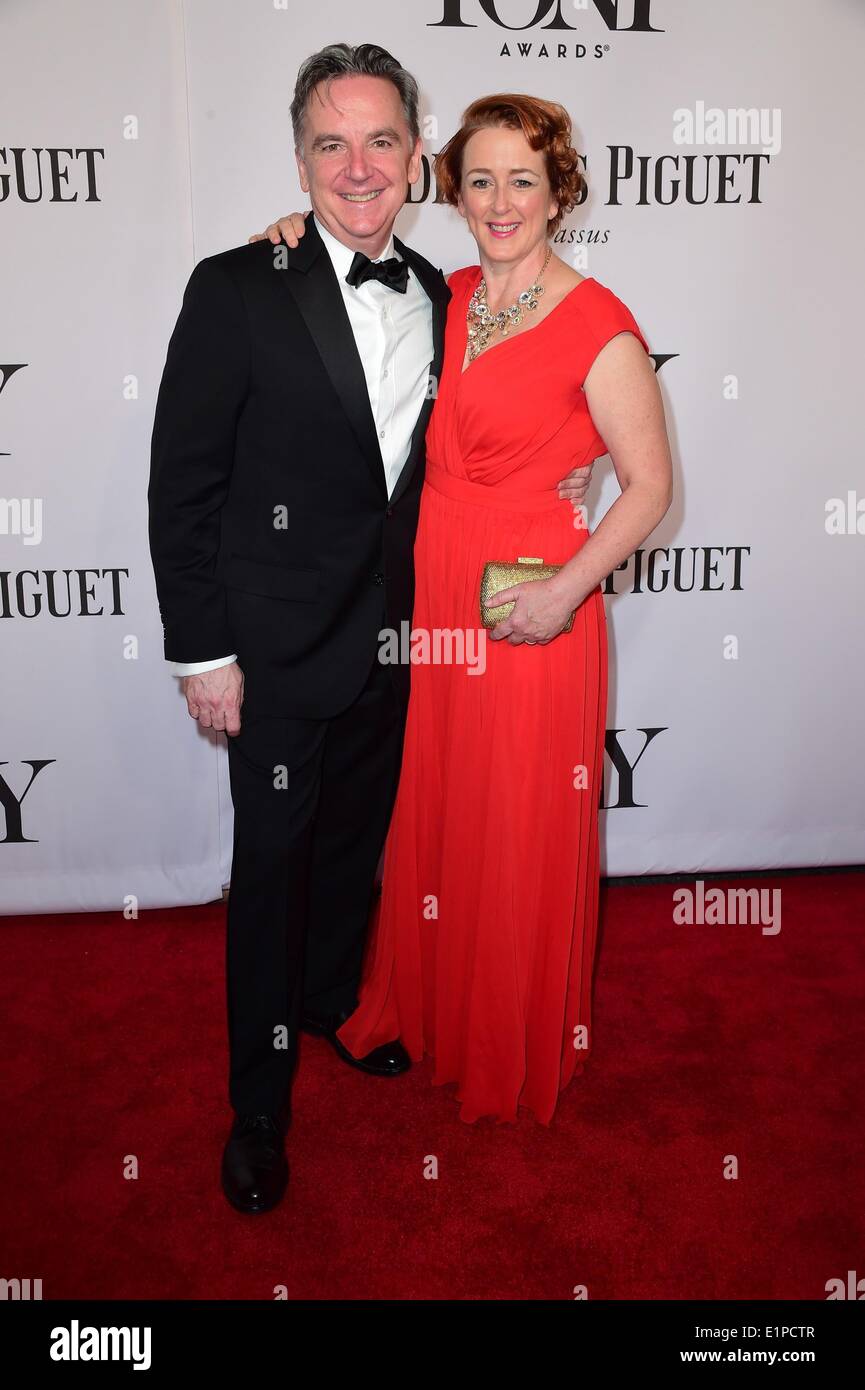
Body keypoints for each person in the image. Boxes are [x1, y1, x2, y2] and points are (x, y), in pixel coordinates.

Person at [148, 46, 591, 1215]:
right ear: (299, 161)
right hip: (275, 653)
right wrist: (205, 653)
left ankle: (338, 1009)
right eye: (331, 143)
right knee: (271, 875)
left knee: (356, 856)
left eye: (381, 140)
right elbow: (181, 484)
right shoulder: (237, 284)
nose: (358, 165)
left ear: (417, 155)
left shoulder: (454, 298)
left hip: (402, 648)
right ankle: (258, 1103)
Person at [255, 93, 673, 1125]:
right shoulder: (443, 295)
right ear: (453, 189)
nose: (498, 200)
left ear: (558, 190)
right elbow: (341, 291)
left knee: (517, 815)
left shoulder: (601, 323)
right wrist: (291, 233)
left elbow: (651, 488)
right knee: (435, 805)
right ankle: (430, 1005)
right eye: (478, 178)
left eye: (521, 179)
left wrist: (567, 590)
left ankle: (507, 1033)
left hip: (529, 603)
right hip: (433, 590)